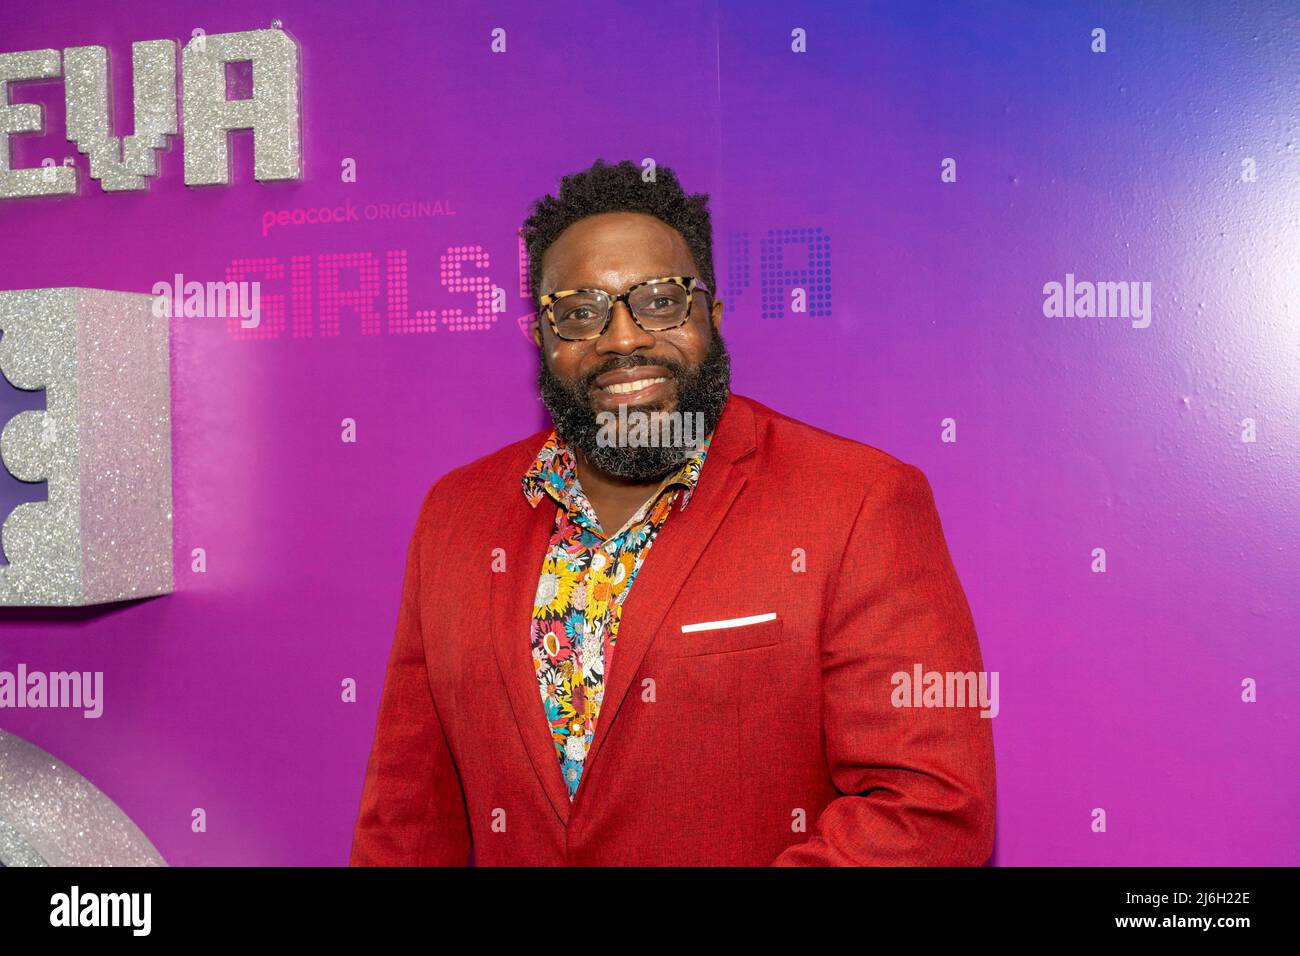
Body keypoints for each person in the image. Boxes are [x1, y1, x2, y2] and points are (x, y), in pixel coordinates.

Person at [350, 158, 995, 866]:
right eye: (580, 310)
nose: (622, 338)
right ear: (541, 336)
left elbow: (929, 813)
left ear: (712, 317)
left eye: (659, 300)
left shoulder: (857, 501)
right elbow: (407, 818)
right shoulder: (456, 516)